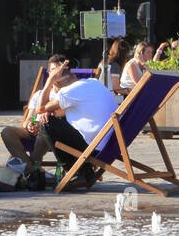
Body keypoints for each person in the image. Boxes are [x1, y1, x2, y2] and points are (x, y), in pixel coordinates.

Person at [29, 55, 118, 191]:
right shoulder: (93, 82)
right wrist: (50, 112)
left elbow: (40, 109)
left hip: (95, 148)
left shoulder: (68, 92)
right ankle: (84, 170)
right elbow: (61, 112)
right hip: (111, 143)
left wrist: (49, 80)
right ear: (73, 74)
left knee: (46, 124)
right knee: (51, 120)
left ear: (56, 82)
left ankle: (78, 172)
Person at [0, 54, 65, 187]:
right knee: (7, 132)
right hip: (34, 130)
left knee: (45, 130)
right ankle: (34, 172)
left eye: (59, 70)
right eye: (53, 70)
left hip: (52, 133)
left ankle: (31, 174)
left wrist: (41, 125)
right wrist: (30, 124)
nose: (56, 74)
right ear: (49, 73)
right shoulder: (39, 94)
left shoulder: (67, 94)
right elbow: (30, 117)